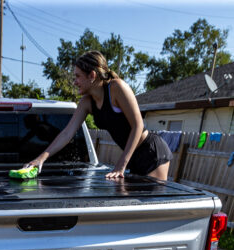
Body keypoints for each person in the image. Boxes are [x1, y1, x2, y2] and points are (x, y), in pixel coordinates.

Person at [25, 50, 172, 181]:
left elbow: (138, 125)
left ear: (92, 75)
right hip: (132, 156)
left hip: (151, 152)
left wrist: (121, 164)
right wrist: (40, 159)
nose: (75, 82)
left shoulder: (116, 88)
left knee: (148, 206)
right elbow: (67, 133)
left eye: (77, 76)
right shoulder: (87, 102)